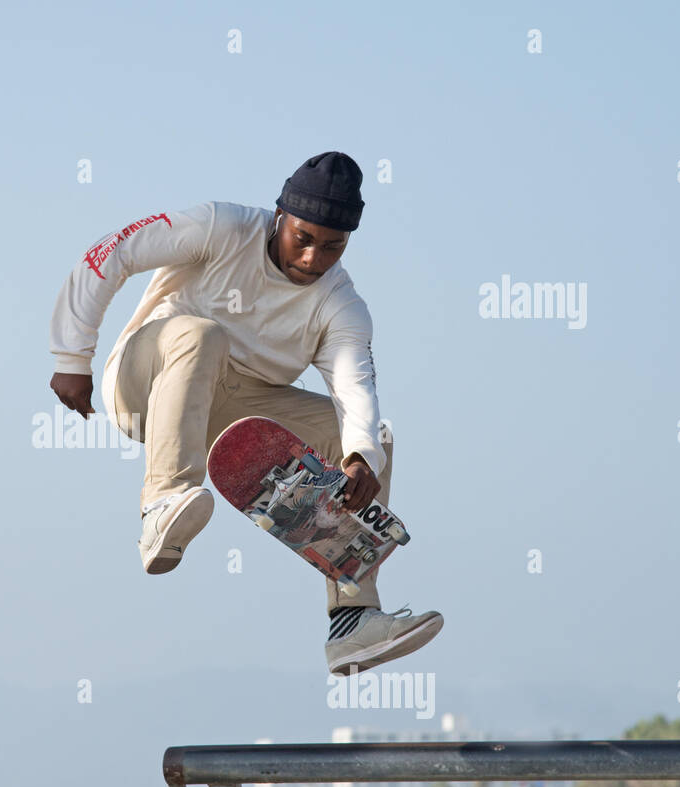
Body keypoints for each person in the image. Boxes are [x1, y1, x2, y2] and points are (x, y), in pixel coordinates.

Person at [48, 151, 443, 673]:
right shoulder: (221, 227)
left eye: (331, 248)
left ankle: (353, 618)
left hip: (229, 410)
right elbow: (115, 249)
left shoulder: (340, 305)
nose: (311, 260)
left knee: (368, 440)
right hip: (147, 385)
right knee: (200, 334)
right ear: (280, 217)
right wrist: (72, 355)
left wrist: (360, 457)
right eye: (301, 239)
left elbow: (355, 386)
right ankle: (162, 503)